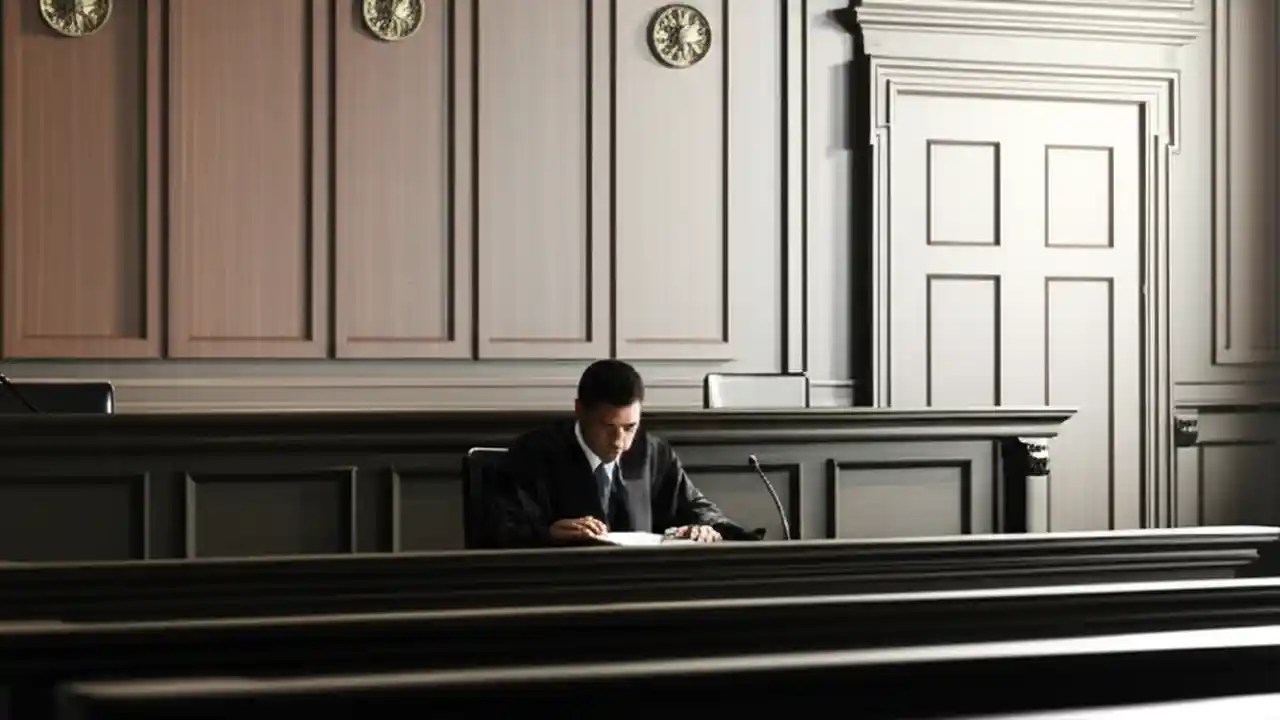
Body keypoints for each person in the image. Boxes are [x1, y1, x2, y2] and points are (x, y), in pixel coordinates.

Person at [484, 359, 758, 547]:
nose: (619, 442)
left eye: (630, 427)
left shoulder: (653, 453)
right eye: (608, 427)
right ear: (580, 411)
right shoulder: (534, 453)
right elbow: (498, 532)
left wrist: (705, 528)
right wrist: (548, 534)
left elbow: (700, 508)